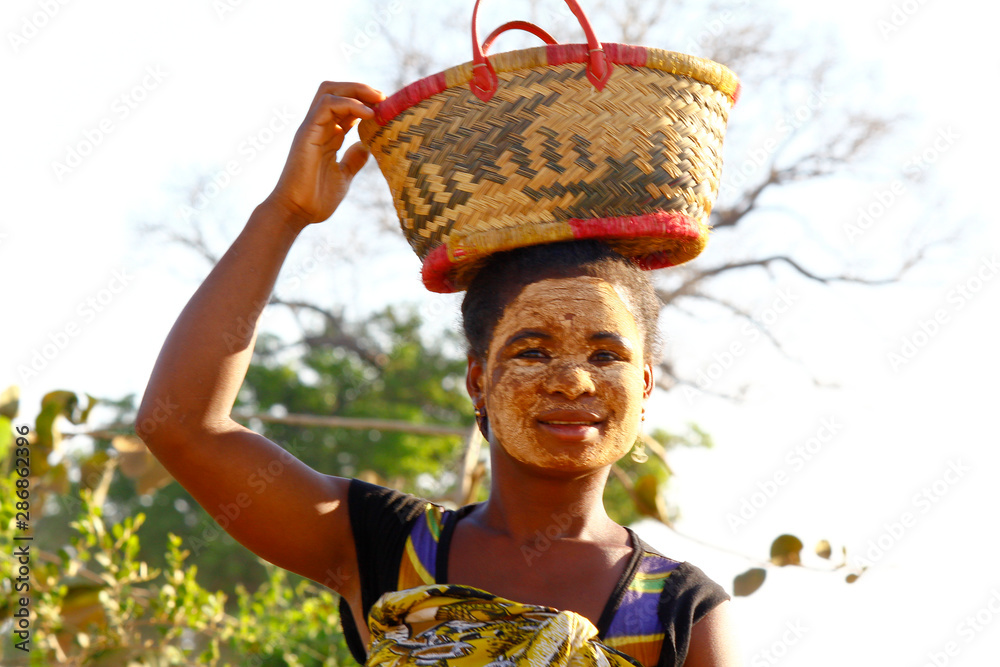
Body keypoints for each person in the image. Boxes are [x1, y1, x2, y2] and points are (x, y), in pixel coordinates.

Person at [137, 81, 739, 666]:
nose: (573, 381)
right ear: (478, 378)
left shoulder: (678, 612)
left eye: (606, 355)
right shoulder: (384, 546)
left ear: (646, 385)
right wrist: (286, 213)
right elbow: (182, 425)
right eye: (532, 351)